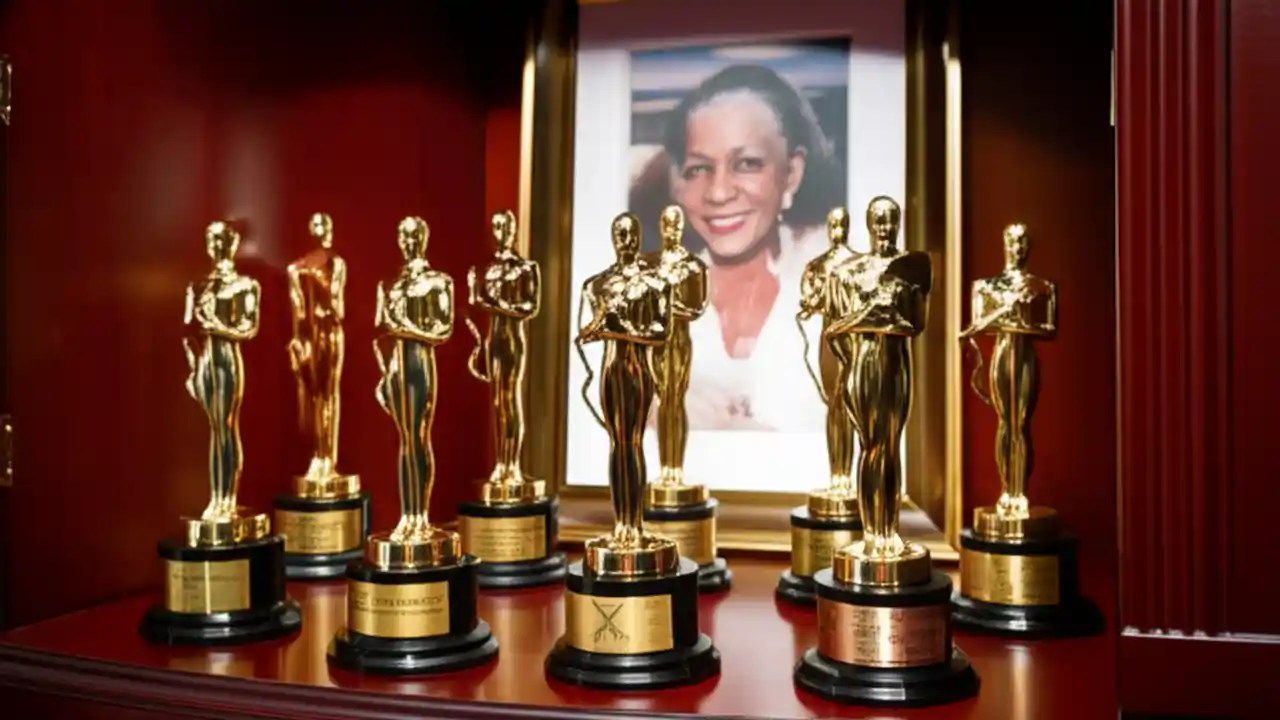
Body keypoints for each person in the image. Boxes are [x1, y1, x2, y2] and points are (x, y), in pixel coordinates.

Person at [629, 63, 844, 433]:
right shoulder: (650, 295)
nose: (718, 192)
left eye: (746, 164)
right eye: (698, 169)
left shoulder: (838, 271)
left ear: (791, 172)